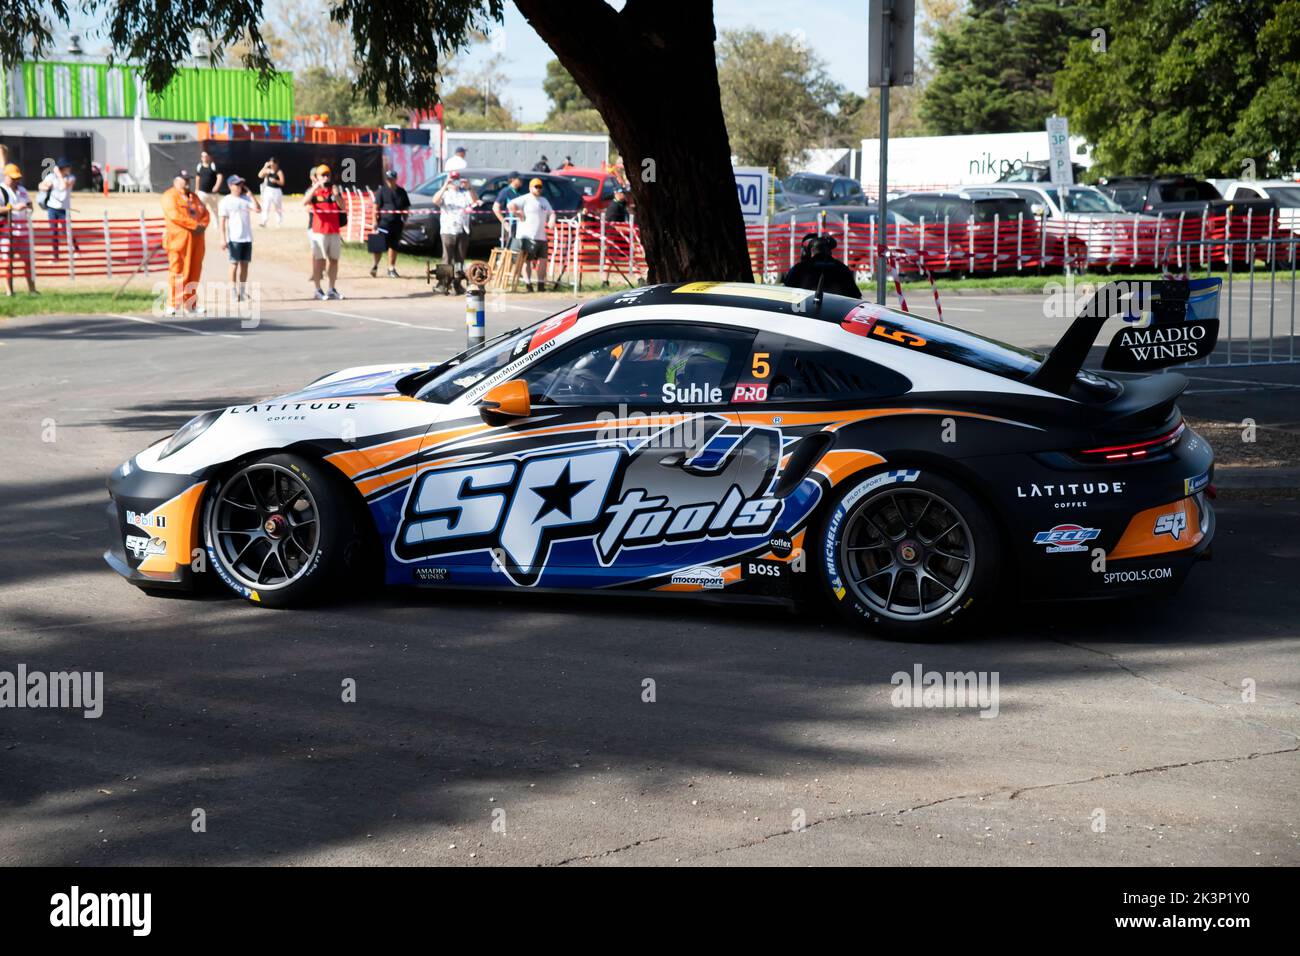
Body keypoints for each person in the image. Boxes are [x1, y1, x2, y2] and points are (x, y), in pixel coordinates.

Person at [160, 171, 210, 315]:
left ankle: (190, 305)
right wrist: (195, 225)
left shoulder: (194, 197)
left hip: (196, 241)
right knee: (177, 272)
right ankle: (173, 304)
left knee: (194, 272)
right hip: (179, 242)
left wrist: (203, 225)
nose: (188, 182)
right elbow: (174, 215)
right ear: (176, 181)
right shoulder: (169, 196)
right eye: (185, 179)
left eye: (189, 179)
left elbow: (205, 213)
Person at [302, 165, 345, 300]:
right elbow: (304, 202)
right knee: (319, 261)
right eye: (323, 175)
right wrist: (316, 186)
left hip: (334, 230)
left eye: (327, 175)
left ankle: (331, 288)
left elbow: (343, 207)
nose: (326, 178)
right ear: (317, 177)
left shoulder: (334, 190)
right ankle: (317, 289)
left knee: (334, 260)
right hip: (319, 231)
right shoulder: (314, 192)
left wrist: (336, 194)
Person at [507, 177, 555, 292]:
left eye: (540, 187)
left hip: (541, 236)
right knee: (526, 261)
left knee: (543, 261)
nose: (538, 189)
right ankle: (528, 284)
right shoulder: (525, 198)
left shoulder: (544, 200)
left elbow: (551, 212)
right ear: (530, 188)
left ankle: (541, 284)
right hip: (527, 236)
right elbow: (510, 205)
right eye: (536, 187)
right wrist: (518, 213)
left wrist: (551, 220)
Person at [218, 175, 261, 301]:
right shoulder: (226, 201)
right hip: (234, 238)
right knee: (233, 265)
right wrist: (222, 238)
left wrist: (251, 195)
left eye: (241, 184)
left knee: (245, 266)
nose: (240, 187)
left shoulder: (246, 199)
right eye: (237, 184)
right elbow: (222, 221)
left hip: (246, 237)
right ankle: (233, 291)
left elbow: (258, 209)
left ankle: (242, 292)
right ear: (230, 186)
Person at [782, 233, 860, 299]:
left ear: (809, 251)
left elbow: (785, 295)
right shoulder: (843, 269)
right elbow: (856, 296)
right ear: (829, 251)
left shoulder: (798, 269)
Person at [432, 170, 478, 282]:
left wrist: (469, 187)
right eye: (452, 180)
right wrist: (445, 185)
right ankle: (443, 282)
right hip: (448, 229)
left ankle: (457, 283)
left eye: (456, 179)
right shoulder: (445, 194)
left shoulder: (464, 194)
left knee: (460, 259)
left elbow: (475, 201)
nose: (454, 182)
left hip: (462, 229)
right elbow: (435, 200)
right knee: (447, 257)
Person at [0, 163, 37, 295]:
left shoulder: (22, 190)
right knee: (7, 263)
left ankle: (32, 290)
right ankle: (9, 291)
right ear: (6, 176)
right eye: (13, 178)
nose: (16, 180)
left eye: (17, 178)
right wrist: (12, 208)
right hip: (6, 232)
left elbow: (29, 204)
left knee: (28, 261)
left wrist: (29, 207)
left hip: (23, 231)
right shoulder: (1, 190)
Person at [370, 168, 410, 278]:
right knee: (378, 246)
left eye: (391, 179)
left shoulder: (402, 192)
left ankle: (391, 268)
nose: (389, 181)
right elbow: (375, 207)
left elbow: (406, 207)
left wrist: (405, 219)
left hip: (397, 223)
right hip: (383, 223)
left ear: (395, 179)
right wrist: (374, 221)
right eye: (388, 179)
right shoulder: (381, 191)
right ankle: (375, 265)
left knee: (393, 246)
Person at [38, 158, 75, 260]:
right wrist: (45, 186)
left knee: (66, 230)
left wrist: (59, 175)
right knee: (53, 231)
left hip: (64, 209)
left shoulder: (70, 178)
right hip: (52, 208)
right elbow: (40, 185)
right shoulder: (51, 177)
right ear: (62, 168)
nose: (69, 168)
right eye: (67, 167)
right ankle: (55, 255)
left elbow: (63, 187)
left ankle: (75, 249)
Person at [492, 171, 525, 248]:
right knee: (510, 249)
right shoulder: (505, 191)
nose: (521, 181)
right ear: (512, 179)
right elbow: (495, 207)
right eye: (519, 179)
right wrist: (504, 223)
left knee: (519, 249)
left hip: (520, 226)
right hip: (511, 225)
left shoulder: (519, 192)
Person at [257, 157, 285, 227]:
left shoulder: (279, 171)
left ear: (276, 164)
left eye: (273, 164)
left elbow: (282, 182)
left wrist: (275, 181)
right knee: (266, 206)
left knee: (278, 207)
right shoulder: (268, 170)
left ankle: (279, 222)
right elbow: (259, 175)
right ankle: (264, 221)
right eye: (271, 164)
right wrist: (265, 166)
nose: (272, 166)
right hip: (268, 190)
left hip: (277, 191)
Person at [195, 150, 222, 218]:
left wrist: (216, 186)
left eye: (206, 156)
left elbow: (220, 176)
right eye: (202, 156)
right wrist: (197, 189)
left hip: (213, 194)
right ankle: (201, 225)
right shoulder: (199, 166)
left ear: (209, 157)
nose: (204, 158)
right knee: (201, 209)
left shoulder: (213, 165)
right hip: (202, 193)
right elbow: (197, 178)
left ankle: (217, 226)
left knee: (215, 211)